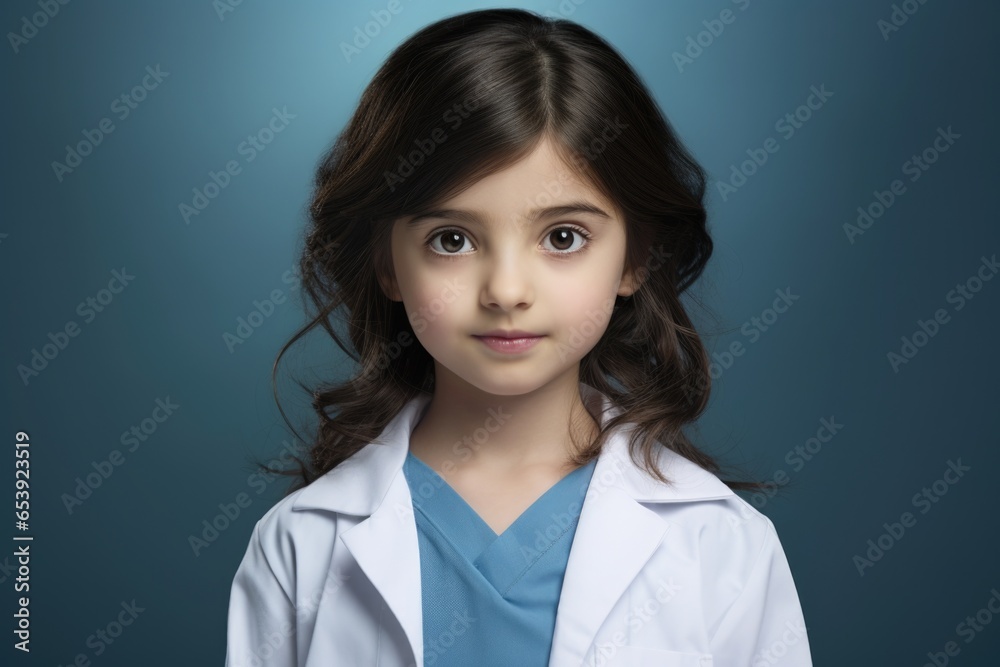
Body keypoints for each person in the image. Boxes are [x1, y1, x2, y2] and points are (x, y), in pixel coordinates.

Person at [225, 8, 812, 666]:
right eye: (452, 240)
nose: (506, 290)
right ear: (389, 264)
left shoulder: (720, 545)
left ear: (635, 257)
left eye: (563, 237)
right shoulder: (299, 547)